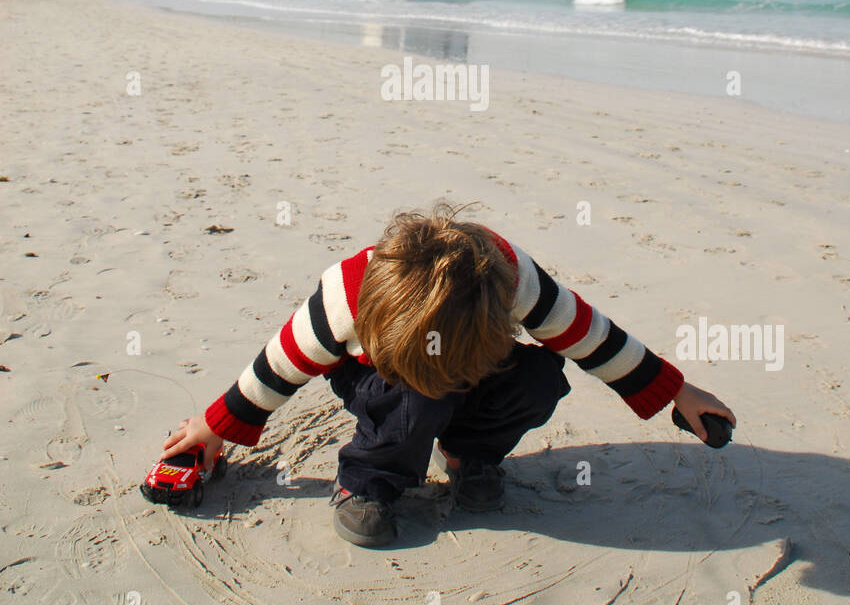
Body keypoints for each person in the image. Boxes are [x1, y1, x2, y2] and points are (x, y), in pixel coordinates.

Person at [161, 202, 736, 548]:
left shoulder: (513, 279)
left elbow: (596, 340)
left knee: (539, 378)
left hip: (475, 362)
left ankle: (468, 454)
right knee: (413, 402)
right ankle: (369, 479)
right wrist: (214, 428)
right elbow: (275, 369)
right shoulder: (343, 296)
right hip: (382, 379)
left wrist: (678, 391)